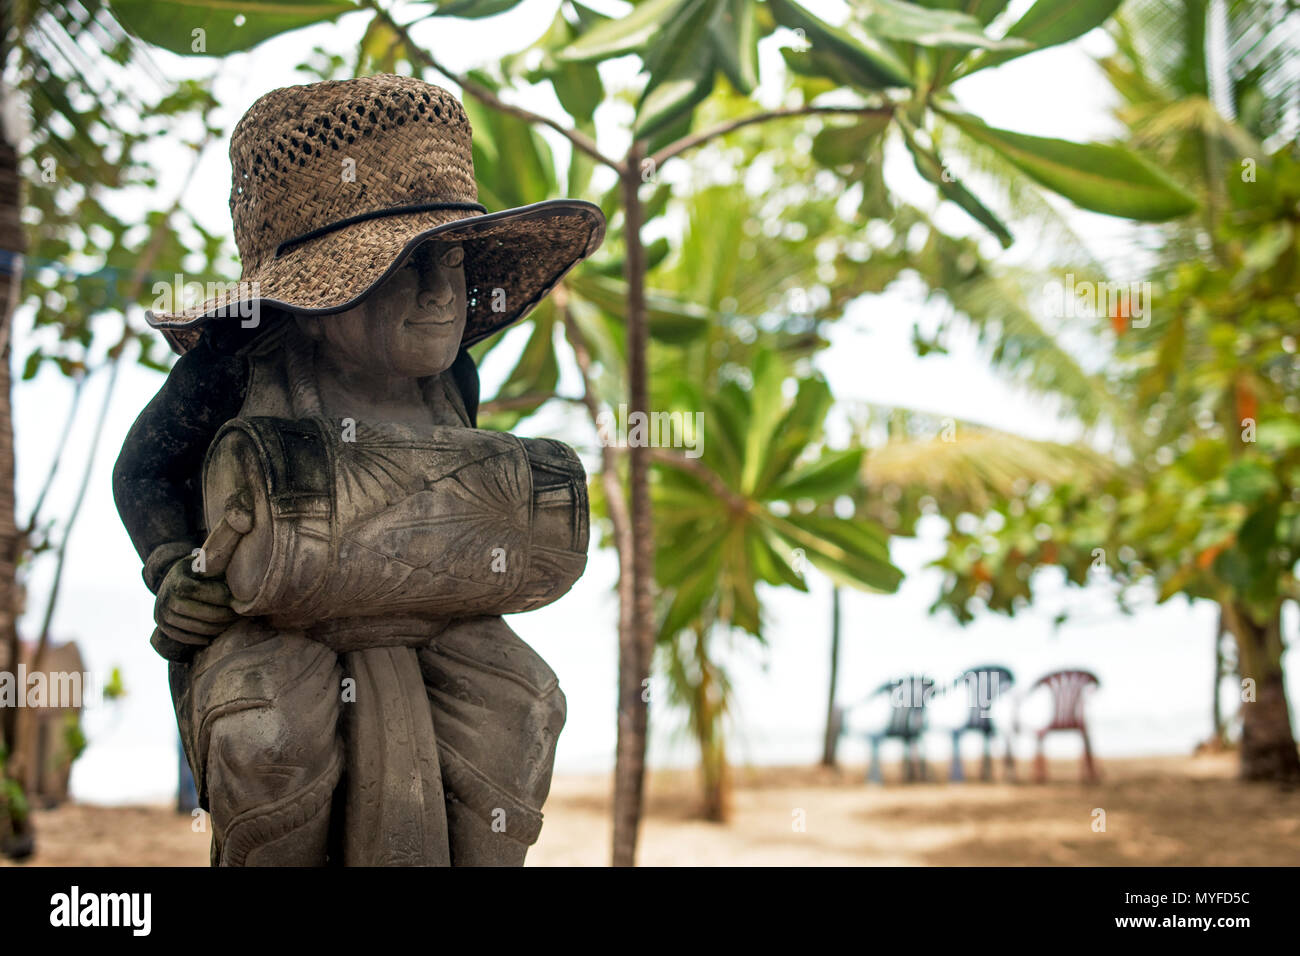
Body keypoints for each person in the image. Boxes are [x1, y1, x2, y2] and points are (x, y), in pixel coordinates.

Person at [112, 74, 605, 866]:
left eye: (451, 261)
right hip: (276, 620)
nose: (440, 294)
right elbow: (144, 471)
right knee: (264, 735)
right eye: (403, 266)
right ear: (312, 296)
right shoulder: (235, 367)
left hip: (438, 615)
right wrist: (173, 566)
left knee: (525, 708)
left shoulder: (455, 379)